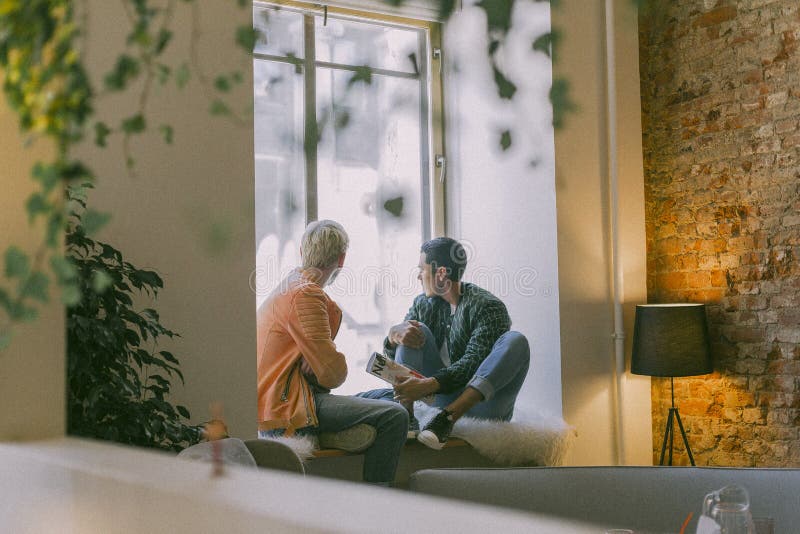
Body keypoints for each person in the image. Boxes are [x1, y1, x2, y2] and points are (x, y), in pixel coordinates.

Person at [257, 220, 408, 485]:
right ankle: (378, 502)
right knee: (396, 416)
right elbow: (335, 374)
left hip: (298, 397)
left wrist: (315, 359)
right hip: (289, 407)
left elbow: (323, 370)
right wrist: (322, 362)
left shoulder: (291, 285)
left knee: (392, 396)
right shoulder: (305, 295)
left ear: (303, 252)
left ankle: (333, 432)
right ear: (342, 259)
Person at [362, 237, 530, 450]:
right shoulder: (423, 303)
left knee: (516, 340)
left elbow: (472, 363)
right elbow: (394, 356)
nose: (418, 276)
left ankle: (447, 419)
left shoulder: (487, 307)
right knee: (414, 329)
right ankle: (407, 417)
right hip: (439, 397)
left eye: (421, 270)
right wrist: (393, 336)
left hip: (485, 406)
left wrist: (429, 385)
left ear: (440, 273)